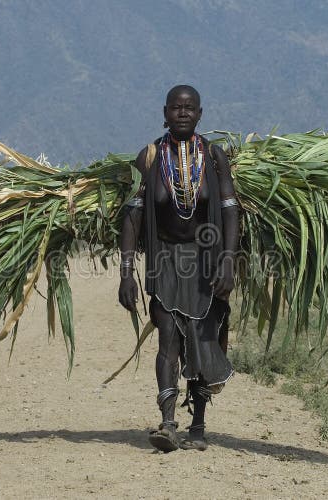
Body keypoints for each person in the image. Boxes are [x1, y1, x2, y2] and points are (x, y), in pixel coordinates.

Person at [118, 86, 239, 452]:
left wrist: (229, 260)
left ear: (200, 113)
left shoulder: (214, 157)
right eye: (176, 108)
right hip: (165, 259)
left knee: (202, 338)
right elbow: (133, 215)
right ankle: (168, 422)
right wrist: (126, 272)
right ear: (165, 112)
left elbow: (232, 210)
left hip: (206, 262)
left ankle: (198, 423)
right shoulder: (151, 156)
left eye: (189, 108)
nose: (182, 113)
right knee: (168, 337)